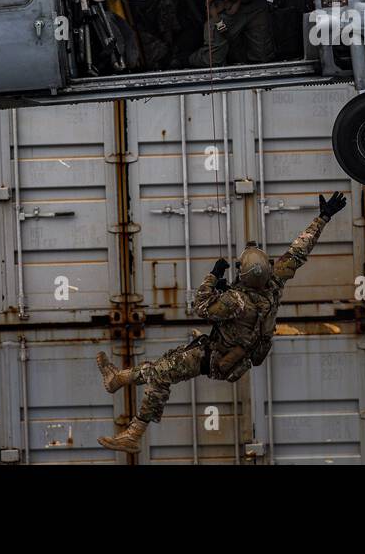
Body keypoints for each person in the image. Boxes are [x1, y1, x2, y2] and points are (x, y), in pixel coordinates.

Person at [95, 191, 349, 452]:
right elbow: (299, 250)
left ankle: (133, 432)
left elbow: (201, 306)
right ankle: (118, 380)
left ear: (244, 274)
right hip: (235, 355)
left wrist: (213, 276)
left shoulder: (236, 301)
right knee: (161, 368)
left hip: (216, 358)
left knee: (161, 375)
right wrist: (324, 217)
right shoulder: (274, 284)